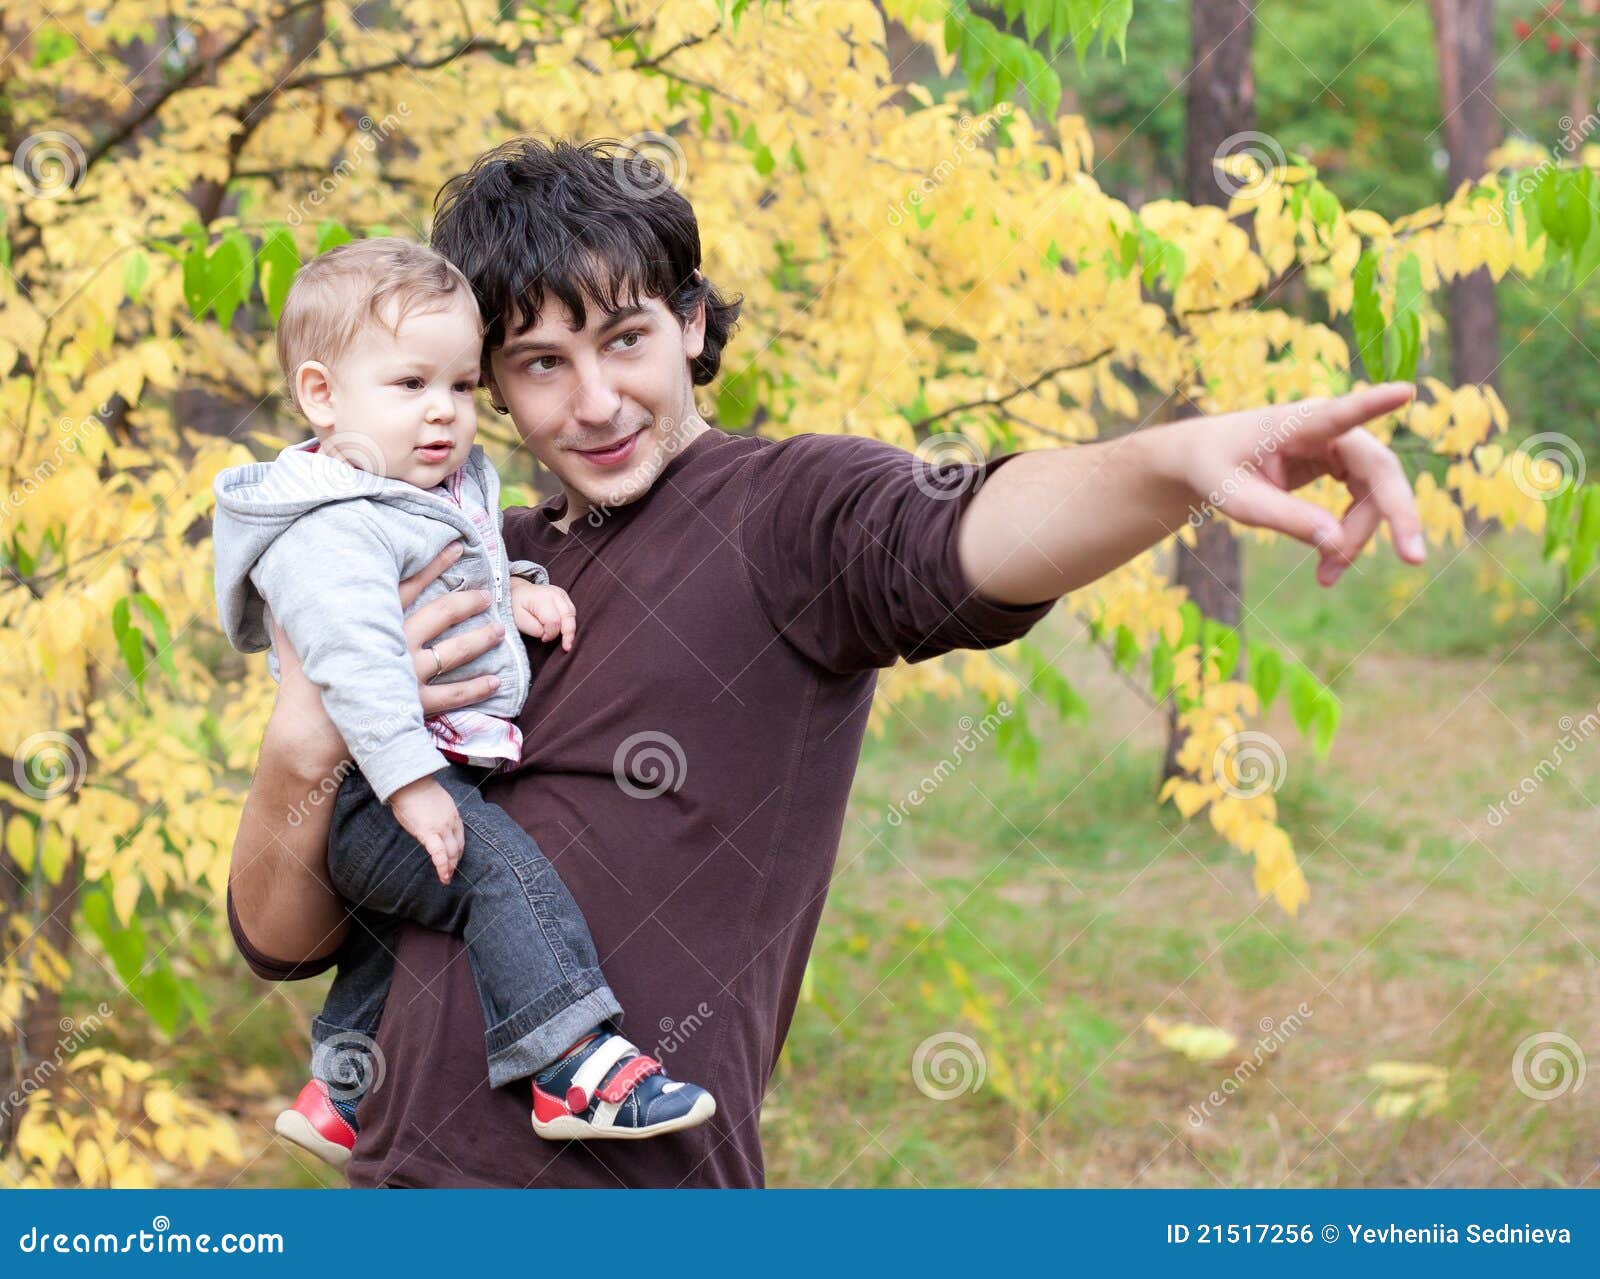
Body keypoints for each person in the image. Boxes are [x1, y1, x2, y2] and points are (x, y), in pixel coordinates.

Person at [225, 137, 1427, 1188]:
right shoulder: (464, 561)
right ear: (489, 381)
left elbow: (976, 527)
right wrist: (307, 734)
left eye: (626, 340)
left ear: (692, 324)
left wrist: (1173, 461)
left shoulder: (783, 512)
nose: (593, 401)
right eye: (541, 362)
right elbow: (280, 938)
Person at [212, 237, 716, 1170]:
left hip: (402, 780)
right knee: (501, 874)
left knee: (401, 924)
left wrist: (510, 589)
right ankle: (571, 1063)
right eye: (411, 385)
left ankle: (343, 1086)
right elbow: (358, 664)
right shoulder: (330, 522)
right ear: (322, 396)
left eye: (460, 386)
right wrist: (412, 786)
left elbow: (446, 566)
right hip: (375, 792)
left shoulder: (412, 487)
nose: (443, 410)